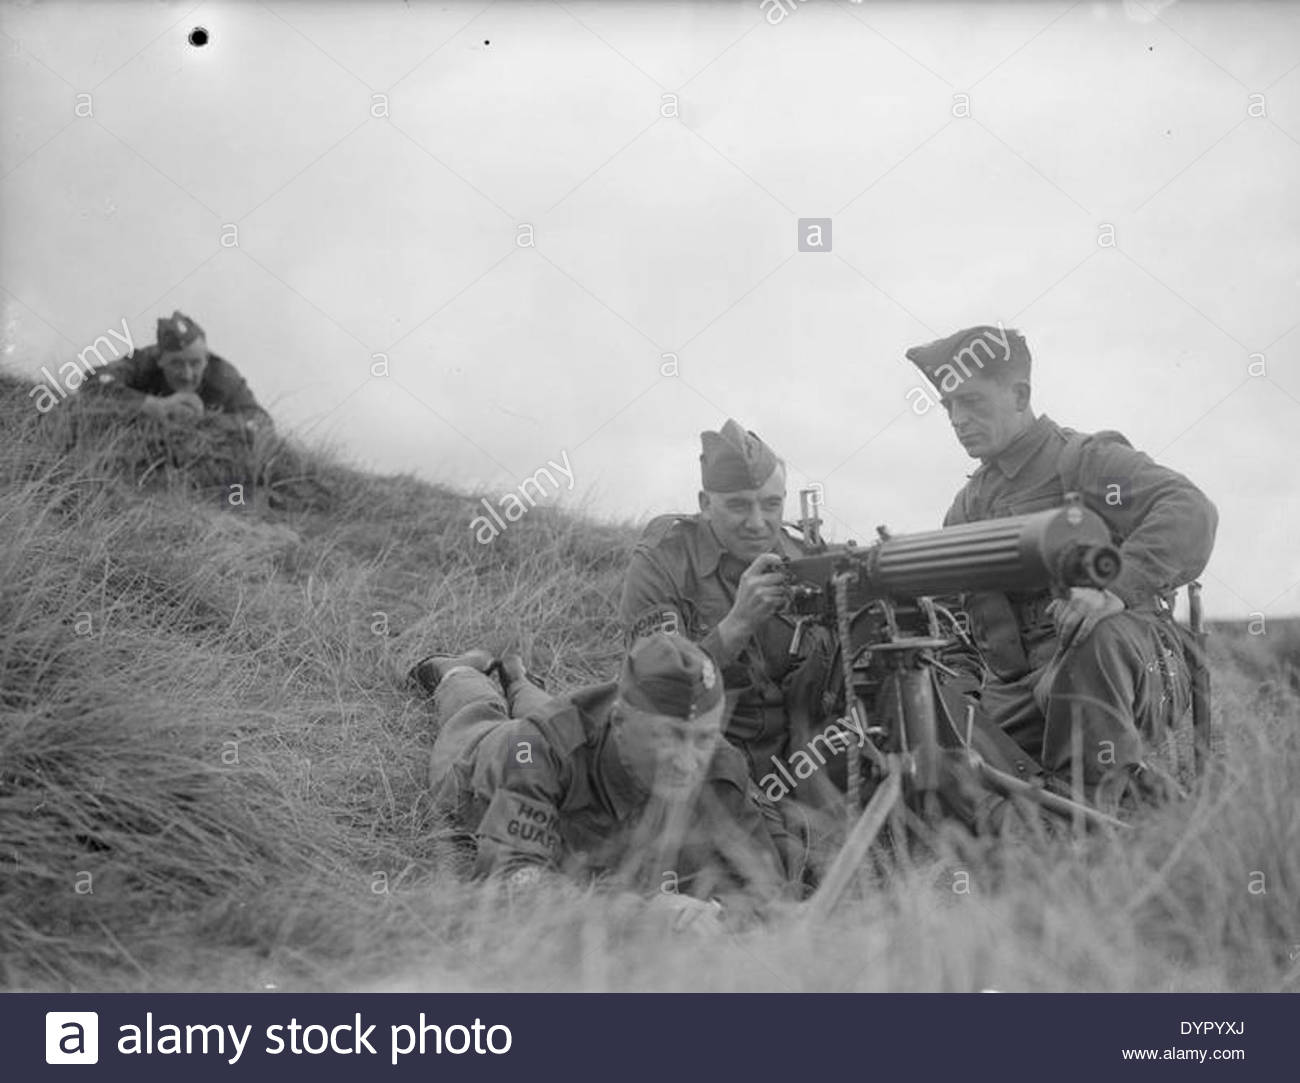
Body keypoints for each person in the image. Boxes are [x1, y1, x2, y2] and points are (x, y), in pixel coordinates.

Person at [905, 324, 1218, 805]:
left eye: (972, 402)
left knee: (1096, 642)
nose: (957, 419)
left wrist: (1115, 587)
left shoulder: (1086, 462)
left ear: (1019, 394)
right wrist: (957, 694)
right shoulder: (965, 510)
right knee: (935, 723)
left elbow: (1190, 509)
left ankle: (1095, 824)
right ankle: (1110, 811)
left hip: (1131, 667)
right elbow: (949, 623)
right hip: (1020, 690)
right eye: (948, 407)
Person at [414, 633, 806, 927]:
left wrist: (719, 916)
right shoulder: (539, 749)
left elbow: (766, 888)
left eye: (702, 739)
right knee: (479, 712)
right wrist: (639, 918)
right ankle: (460, 669)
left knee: (548, 710)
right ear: (620, 721)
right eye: (667, 737)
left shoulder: (719, 763)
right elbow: (512, 879)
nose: (687, 762)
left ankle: (518, 679)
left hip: (577, 727)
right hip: (487, 756)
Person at [618, 420, 836, 793]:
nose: (757, 523)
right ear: (705, 504)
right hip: (702, 753)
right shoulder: (664, 560)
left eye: (771, 504)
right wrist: (737, 625)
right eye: (738, 505)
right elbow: (654, 691)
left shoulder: (804, 556)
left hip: (799, 755)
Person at [84, 310, 271, 431]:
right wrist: (153, 405)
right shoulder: (144, 360)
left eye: (195, 363)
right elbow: (94, 381)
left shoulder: (223, 375)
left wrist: (204, 420)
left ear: (206, 359)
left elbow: (262, 423)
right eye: (176, 363)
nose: (187, 374)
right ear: (160, 360)